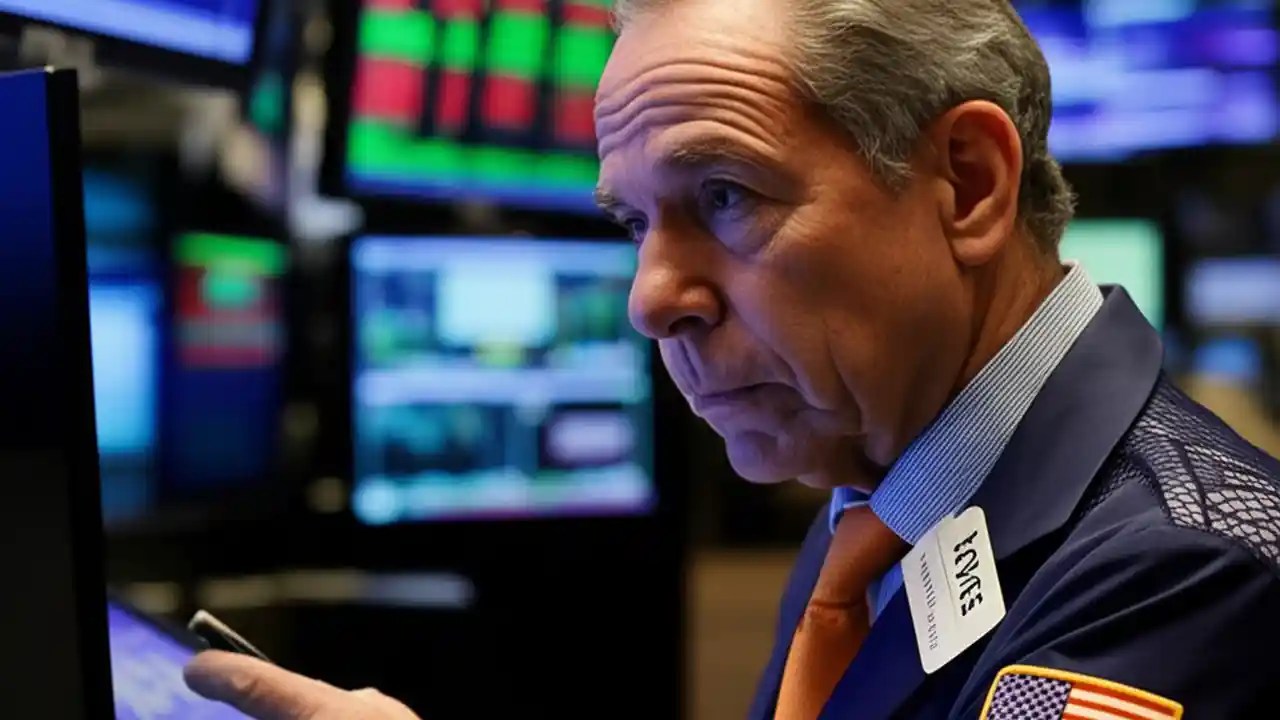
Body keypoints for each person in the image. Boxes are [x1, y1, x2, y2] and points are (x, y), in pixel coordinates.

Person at [185, 0, 1280, 717]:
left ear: (966, 184)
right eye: (632, 224)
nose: (651, 300)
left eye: (725, 196)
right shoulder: (874, 506)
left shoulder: (1183, 575)